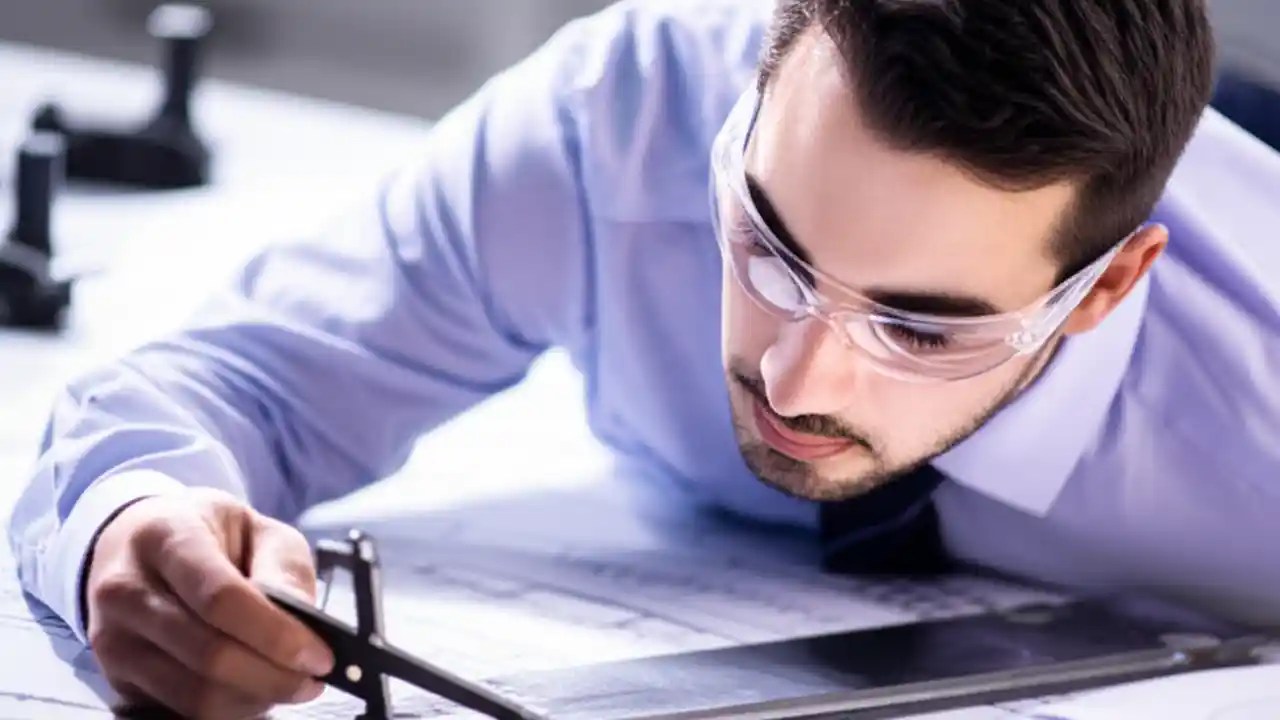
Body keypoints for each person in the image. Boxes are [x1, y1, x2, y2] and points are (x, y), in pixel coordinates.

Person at [7, 0, 1279, 717]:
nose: (794, 387)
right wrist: (133, 523)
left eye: (918, 327)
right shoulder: (607, 126)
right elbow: (243, 380)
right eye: (768, 245)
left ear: (1106, 289)